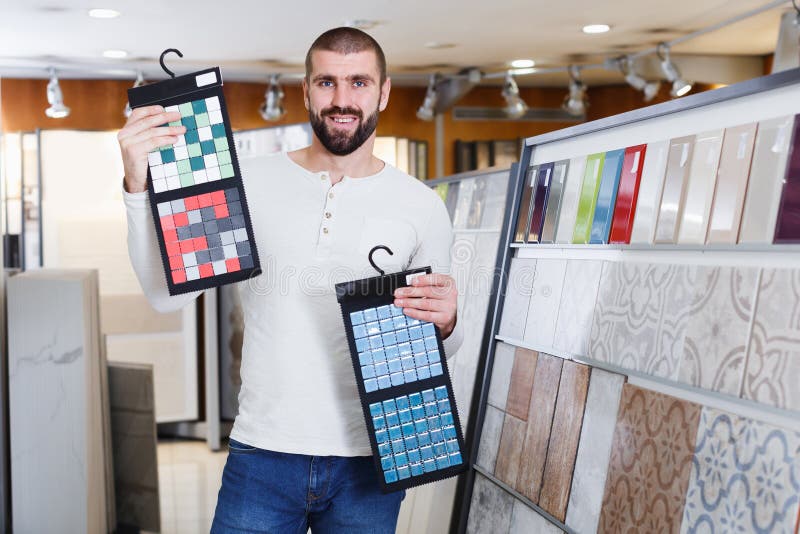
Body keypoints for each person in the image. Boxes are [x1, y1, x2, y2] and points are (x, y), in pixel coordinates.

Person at [118, 27, 463, 533]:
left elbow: (441, 348)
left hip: (369, 462)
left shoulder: (422, 206)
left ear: (384, 91)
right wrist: (135, 185)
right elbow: (166, 297)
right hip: (261, 455)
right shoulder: (249, 182)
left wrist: (449, 323)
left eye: (359, 83)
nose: (342, 100)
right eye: (326, 82)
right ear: (305, 90)